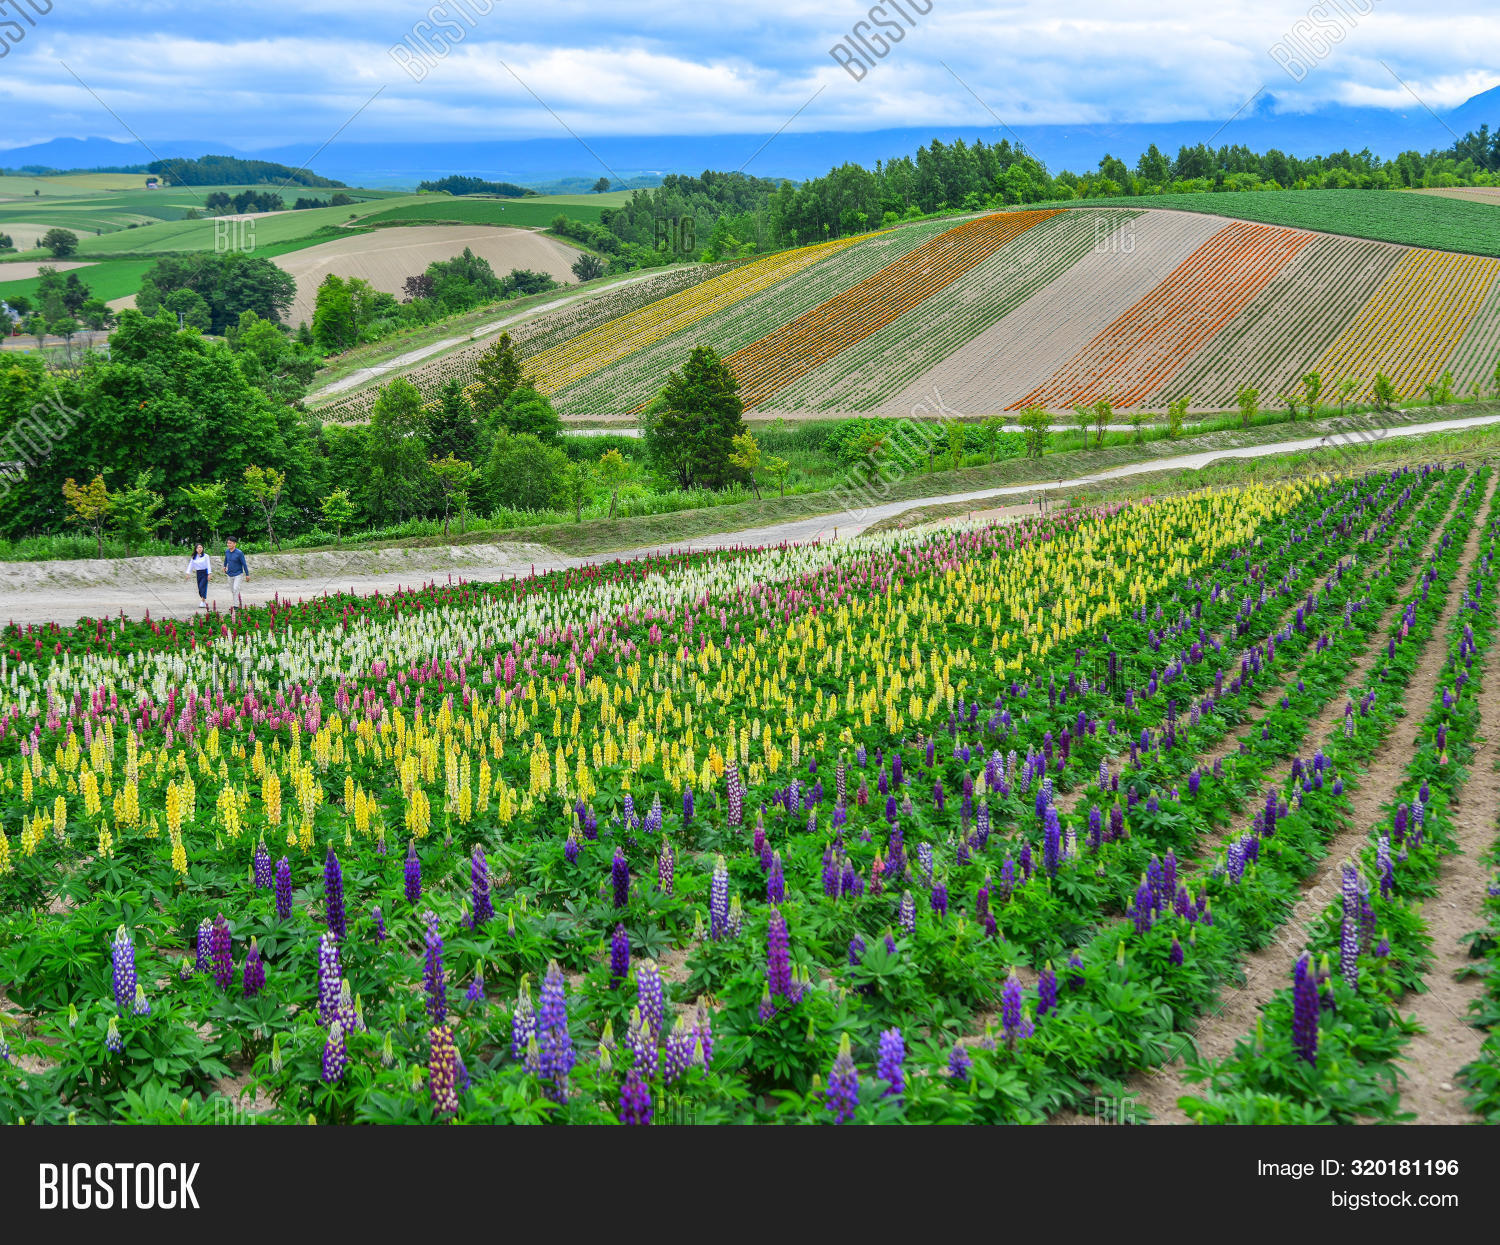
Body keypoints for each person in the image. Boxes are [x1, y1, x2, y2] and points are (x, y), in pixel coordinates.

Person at [185, 543, 212, 611]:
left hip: (205, 572)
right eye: (198, 548)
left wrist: (209, 574)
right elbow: (191, 565)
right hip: (198, 573)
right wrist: (188, 573)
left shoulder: (206, 556)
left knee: (203, 586)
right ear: (196, 549)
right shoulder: (194, 557)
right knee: (200, 588)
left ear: (202, 548)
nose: (200, 549)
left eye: (201, 547)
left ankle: (203, 601)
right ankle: (203, 599)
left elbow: (208, 565)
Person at [224, 537, 249, 609]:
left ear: (235, 544)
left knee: (235, 589)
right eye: (228, 543)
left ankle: (236, 606)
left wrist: (247, 574)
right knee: (233, 590)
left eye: (230, 543)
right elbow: (226, 560)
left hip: (238, 574)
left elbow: (244, 564)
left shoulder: (239, 553)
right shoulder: (227, 551)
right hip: (229, 574)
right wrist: (224, 566)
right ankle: (238, 601)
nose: (228, 544)